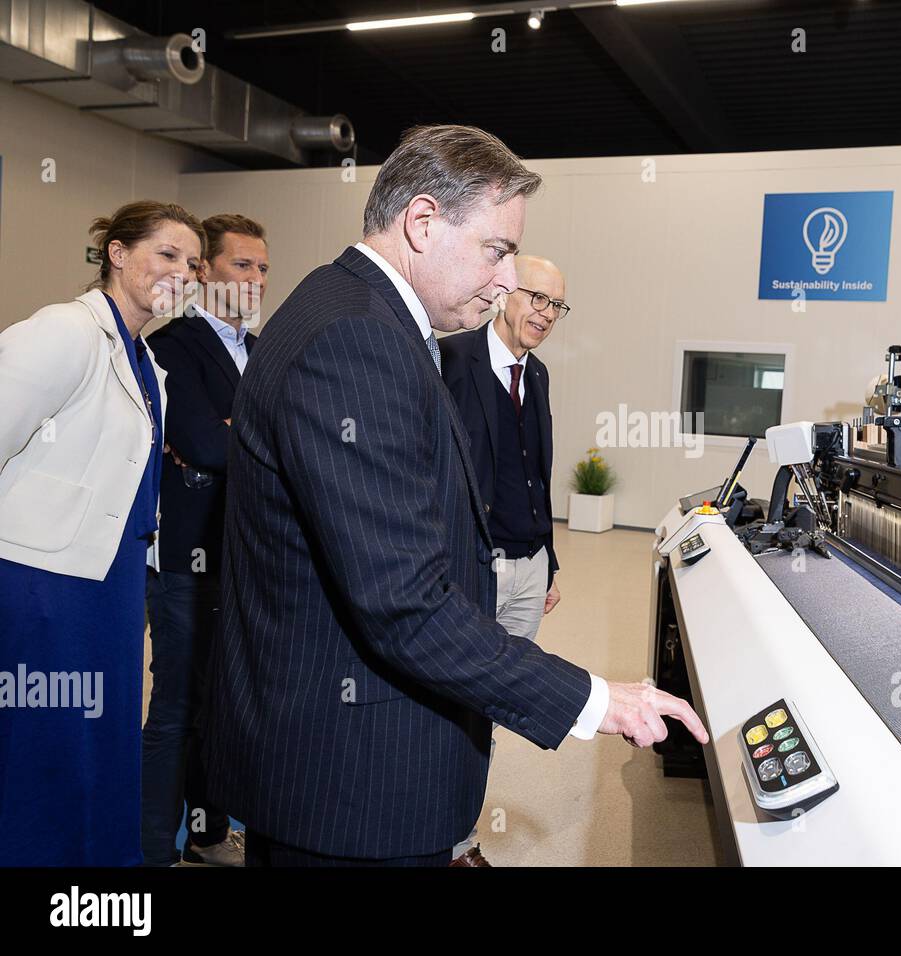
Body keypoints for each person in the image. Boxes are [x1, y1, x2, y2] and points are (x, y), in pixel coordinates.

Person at [203, 124, 707, 867]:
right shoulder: (357, 340)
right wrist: (599, 700)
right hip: (352, 780)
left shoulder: (350, 309)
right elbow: (404, 604)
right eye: (497, 250)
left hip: (337, 763)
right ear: (423, 221)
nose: (507, 282)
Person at [0, 201, 203, 866]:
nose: (182, 272)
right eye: (167, 254)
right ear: (117, 254)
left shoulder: (148, 358)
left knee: (101, 741)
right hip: (45, 586)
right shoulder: (67, 330)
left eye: (193, 263)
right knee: (48, 742)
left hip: (113, 581)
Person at [140, 214, 269, 867]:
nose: (255, 280)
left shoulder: (266, 347)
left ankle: (209, 833)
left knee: (224, 704)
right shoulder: (174, 345)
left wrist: (234, 435)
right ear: (206, 272)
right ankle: (152, 849)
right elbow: (199, 439)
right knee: (178, 707)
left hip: (248, 556)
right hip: (186, 557)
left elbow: (273, 438)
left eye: (263, 268)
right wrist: (244, 438)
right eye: (241, 266)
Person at [440, 255, 570, 865]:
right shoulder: (451, 359)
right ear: (503, 294)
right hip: (473, 566)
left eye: (556, 305)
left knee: (490, 709)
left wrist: (550, 560)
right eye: (536, 297)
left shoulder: (537, 375)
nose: (544, 313)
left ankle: (459, 829)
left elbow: (535, 475)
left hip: (528, 567)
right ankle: (450, 839)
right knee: (455, 704)